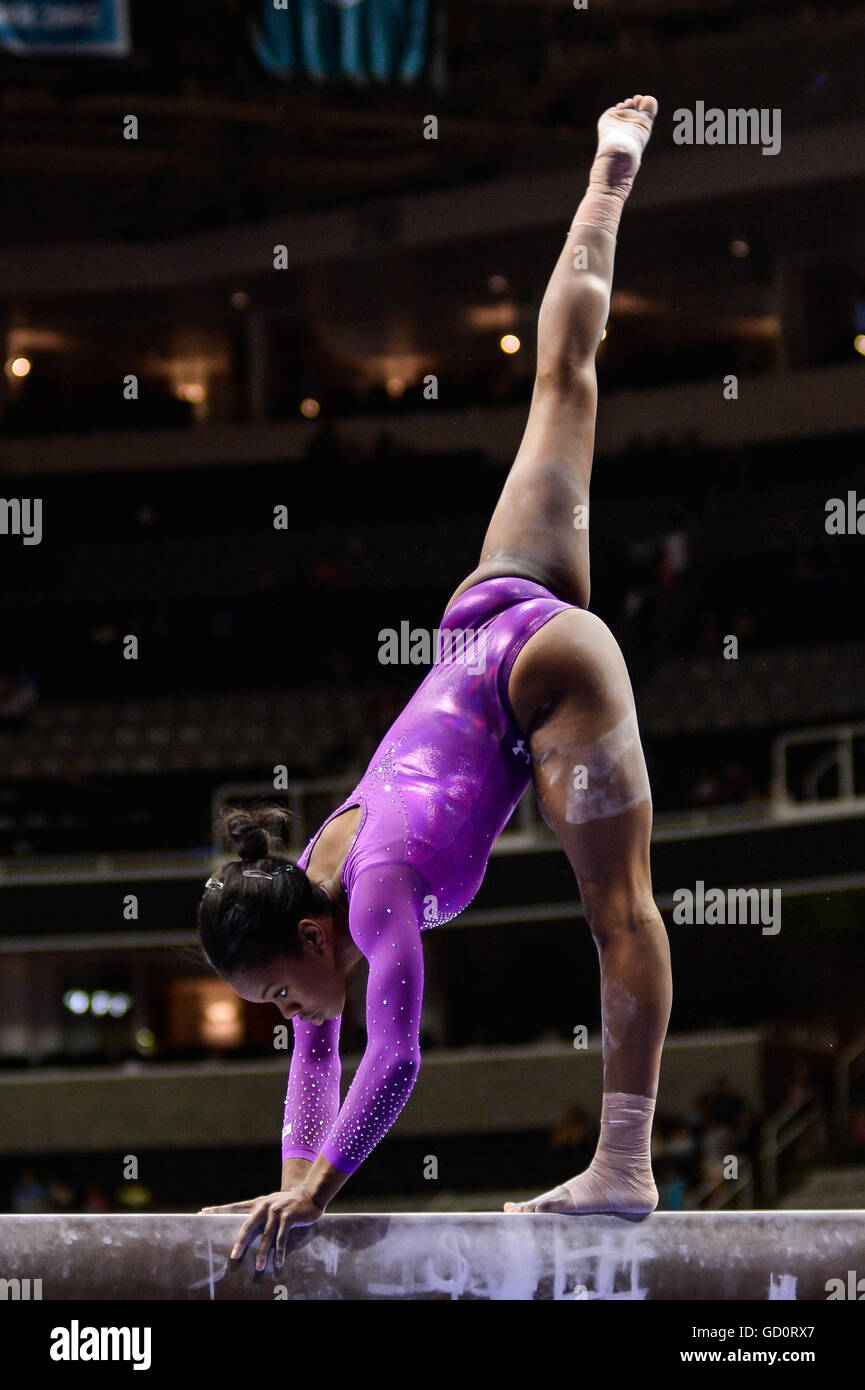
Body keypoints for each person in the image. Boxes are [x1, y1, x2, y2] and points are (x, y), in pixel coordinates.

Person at [198, 95, 672, 1272]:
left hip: (540, 672)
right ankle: (608, 171)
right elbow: (321, 1061)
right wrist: (293, 1184)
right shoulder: (311, 886)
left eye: (274, 991)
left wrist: (323, 1182)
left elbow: (395, 1060)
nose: (282, 1015)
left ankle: (625, 1156)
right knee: (562, 377)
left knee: (617, 911)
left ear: (309, 936)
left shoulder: (371, 892)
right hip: (483, 614)